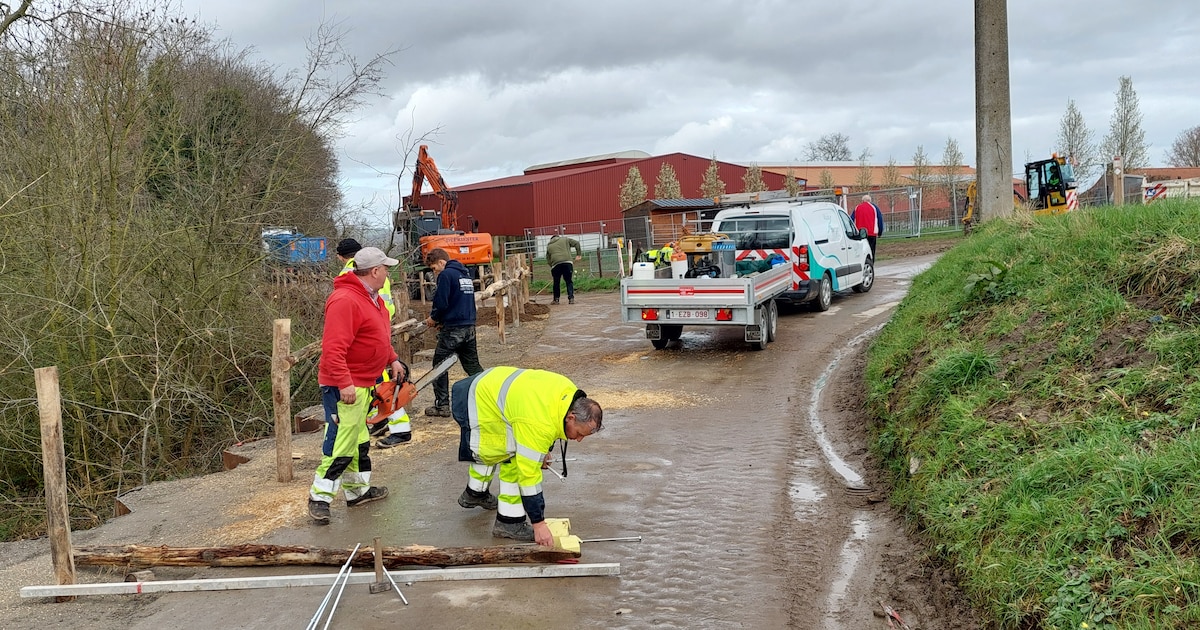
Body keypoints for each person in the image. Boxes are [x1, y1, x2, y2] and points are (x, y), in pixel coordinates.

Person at [308, 247, 406, 525]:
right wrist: (344, 383)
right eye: (386, 268)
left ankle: (357, 491)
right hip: (346, 385)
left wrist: (393, 359)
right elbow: (333, 348)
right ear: (375, 271)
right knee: (341, 442)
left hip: (364, 380)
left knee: (359, 440)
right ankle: (319, 497)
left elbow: (377, 336)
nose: (389, 273)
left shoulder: (372, 300)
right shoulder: (345, 300)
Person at [450, 366, 603, 544]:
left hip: (489, 386)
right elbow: (529, 476)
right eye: (579, 433)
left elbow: (549, 422)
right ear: (571, 417)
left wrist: (542, 451)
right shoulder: (538, 424)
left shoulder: (568, 393)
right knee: (510, 455)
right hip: (477, 402)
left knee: (515, 450)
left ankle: (475, 494)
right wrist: (539, 524)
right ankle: (509, 523)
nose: (579, 439)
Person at [334, 238, 412, 448]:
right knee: (381, 384)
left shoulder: (351, 273)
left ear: (341, 257)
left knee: (381, 385)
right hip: (380, 325)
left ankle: (399, 426)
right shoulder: (376, 270)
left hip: (369, 331)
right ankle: (382, 421)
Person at [422, 248, 484, 417]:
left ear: (441, 262)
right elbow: (458, 301)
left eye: (434, 268)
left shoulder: (446, 275)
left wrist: (434, 318)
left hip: (454, 330)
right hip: (469, 327)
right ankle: (489, 396)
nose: (434, 273)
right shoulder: (465, 274)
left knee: (439, 366)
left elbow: (442, 301)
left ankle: (442, 406)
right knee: (472, 366)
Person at [545, 233, 582, 305]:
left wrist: (552, 266)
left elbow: (548, 258)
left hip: (555, 265)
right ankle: (571, 298)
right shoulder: (565, 240)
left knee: (556, 283)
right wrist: (578, 254)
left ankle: (556, 300)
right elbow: (576, 243)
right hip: (567, 263)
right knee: (569, 281)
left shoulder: (549, 245)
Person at [852, 194, 884, 259]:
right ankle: (870, 264)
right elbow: (880, 219)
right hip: (871, 233)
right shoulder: (874, 208)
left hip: (860, 233)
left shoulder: (857, 207)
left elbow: (851, 219)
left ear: (862, 200)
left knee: (861, 251)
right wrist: (880, 232)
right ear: (870, 200)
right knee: (871, 250)